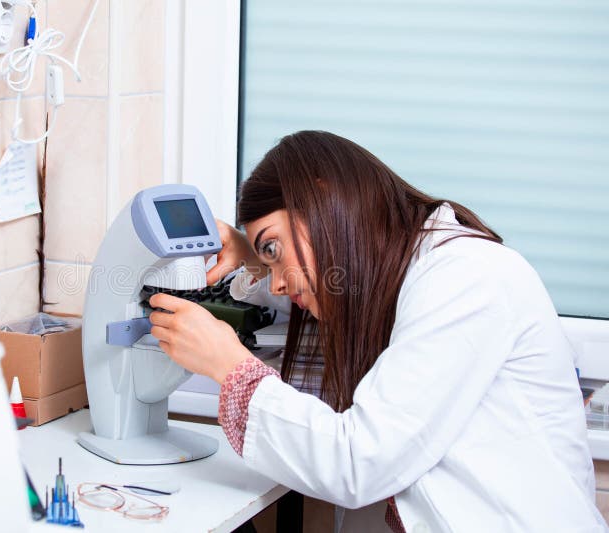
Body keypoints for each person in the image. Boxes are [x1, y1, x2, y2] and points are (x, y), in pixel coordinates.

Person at [148, 131, 607, 532]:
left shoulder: (466, 277)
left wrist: (230, 368)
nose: (279, 283)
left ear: (323, 196)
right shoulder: (398, 276)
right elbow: (319, 289)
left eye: (274, 247)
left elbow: (359, 462)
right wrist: (258, 254)